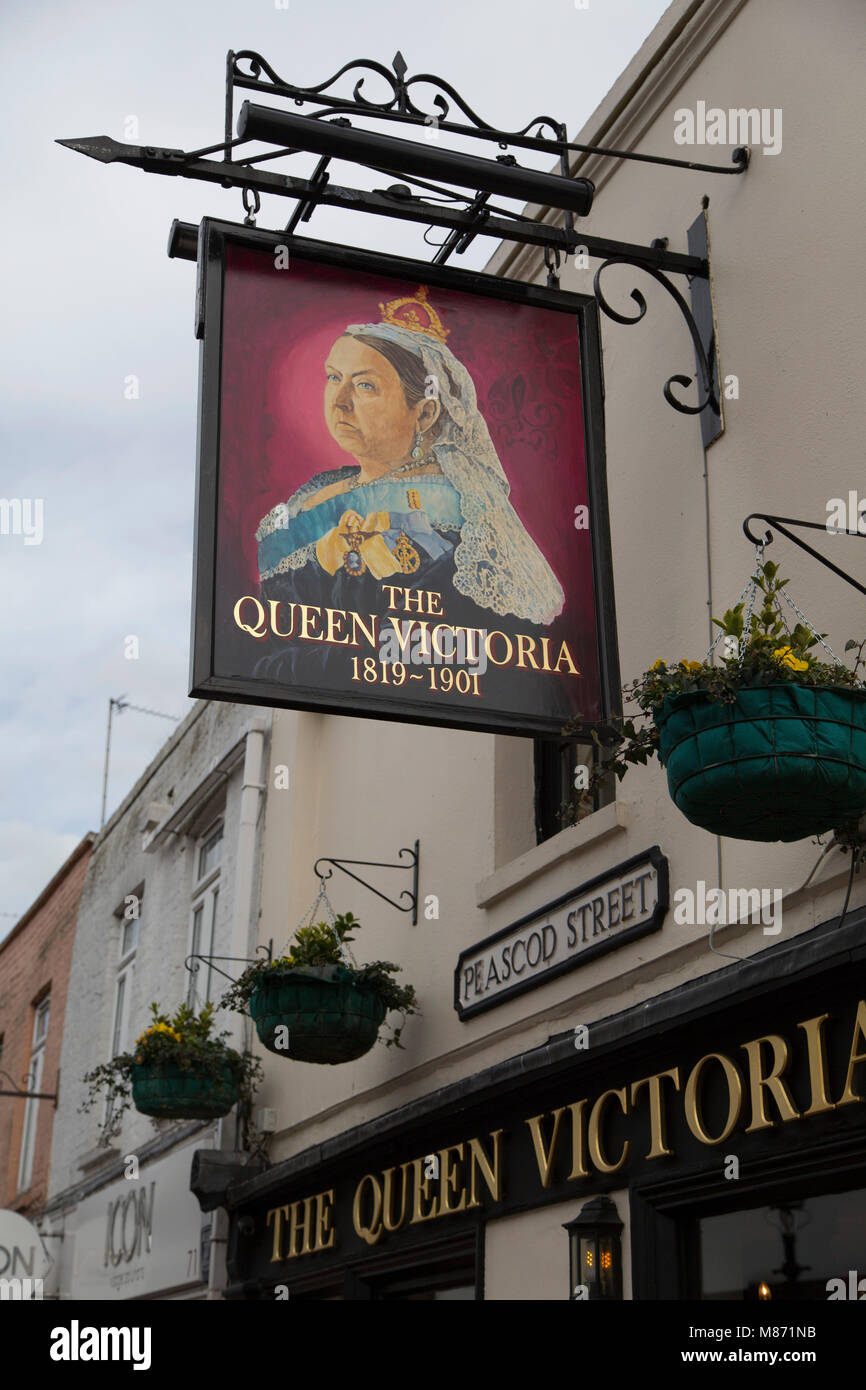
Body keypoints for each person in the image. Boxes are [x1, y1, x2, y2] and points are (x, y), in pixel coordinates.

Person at [253, 286, 566, 694]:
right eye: (334, 378)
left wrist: (277, 668)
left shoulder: (461, 524)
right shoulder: (318, 493)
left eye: (365, 386)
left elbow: (387, 654)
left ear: (425, 411)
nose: (340, 401)